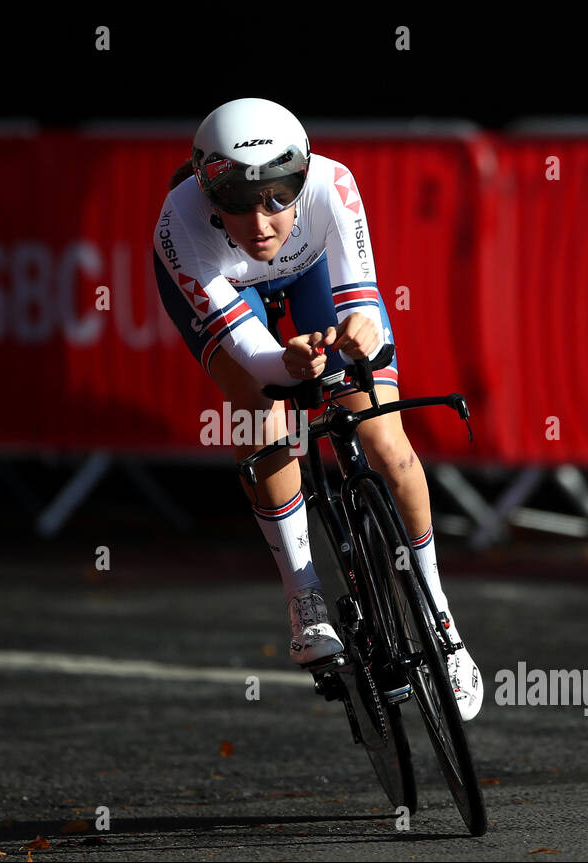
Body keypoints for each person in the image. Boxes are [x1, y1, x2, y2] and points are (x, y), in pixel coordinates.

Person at [152, 98, 483, 720]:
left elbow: (359, 295)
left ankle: (441, 617)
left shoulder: (333, 184)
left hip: (312, 275)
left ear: (302, 176)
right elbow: (256, 356)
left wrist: (359, 332)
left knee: (385, 438)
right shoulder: (181, 225)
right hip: (231, 297)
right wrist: (292, 366)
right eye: (238, 200)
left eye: (280, 194)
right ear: (205, 191)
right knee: (262, 413)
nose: (261, 220)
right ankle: (305, 602)